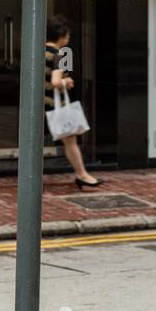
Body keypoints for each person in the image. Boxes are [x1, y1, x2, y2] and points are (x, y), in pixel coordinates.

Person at [45, 15, 100, 188]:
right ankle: (82, 174)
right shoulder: (64, 53)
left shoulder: (39, 50)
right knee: (71, 141)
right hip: (57, 105)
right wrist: (66, 81)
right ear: (61, 35)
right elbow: (56, 81)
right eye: (67, 35)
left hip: (42, 103)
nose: (68, 38)